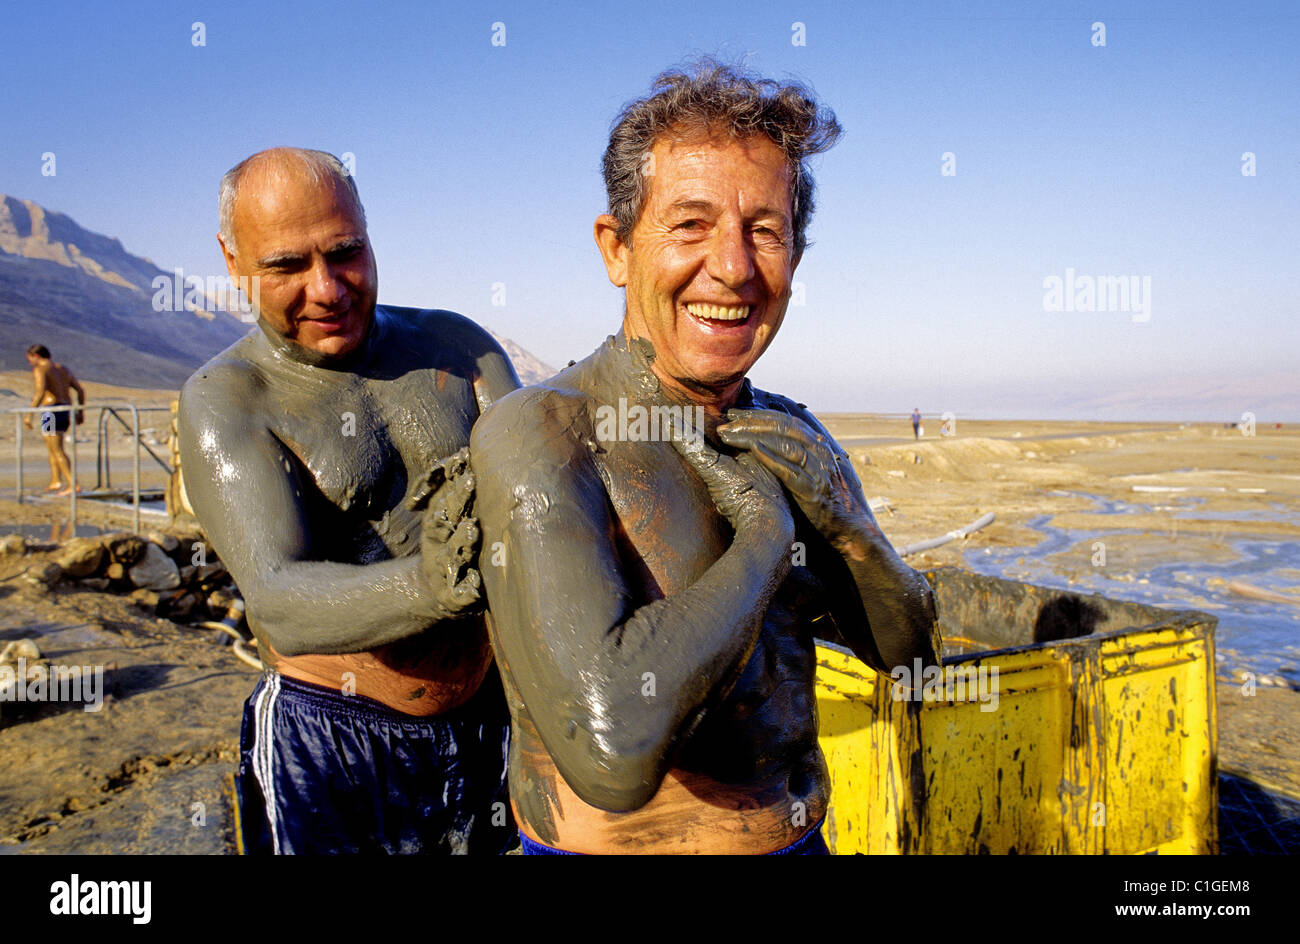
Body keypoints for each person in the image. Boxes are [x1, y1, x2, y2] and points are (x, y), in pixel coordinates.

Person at [470, 61, 942, 855]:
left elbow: (915, 666)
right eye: (690, 225)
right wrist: (764, 537)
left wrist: (853, 529)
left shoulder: (794, 437)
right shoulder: (546, 433)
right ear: (616, 248)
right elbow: (611, 749)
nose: (732, 266)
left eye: (766, 231)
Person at [177, 147, 521, 854]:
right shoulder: (229, 400)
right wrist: (435, 583)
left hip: (487, 716)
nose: (328, 289)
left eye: (345, 253)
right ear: (233, 259)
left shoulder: (458, 350)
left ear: (368, 232)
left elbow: (544, 496)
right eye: (285, 267)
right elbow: (280, 600)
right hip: (331, 739)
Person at [25, 344, 85, 496]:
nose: (30, 363)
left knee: (57, 449)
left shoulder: (41, 370)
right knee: (52, 446)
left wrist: (29, 414)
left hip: (50, 411)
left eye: (30, 359)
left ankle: (73, 483)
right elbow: (80, 391)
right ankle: (55, 480)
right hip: (65, 410)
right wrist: (80, 412)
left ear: (36, 356)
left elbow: (39, 393)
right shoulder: (63, 369)